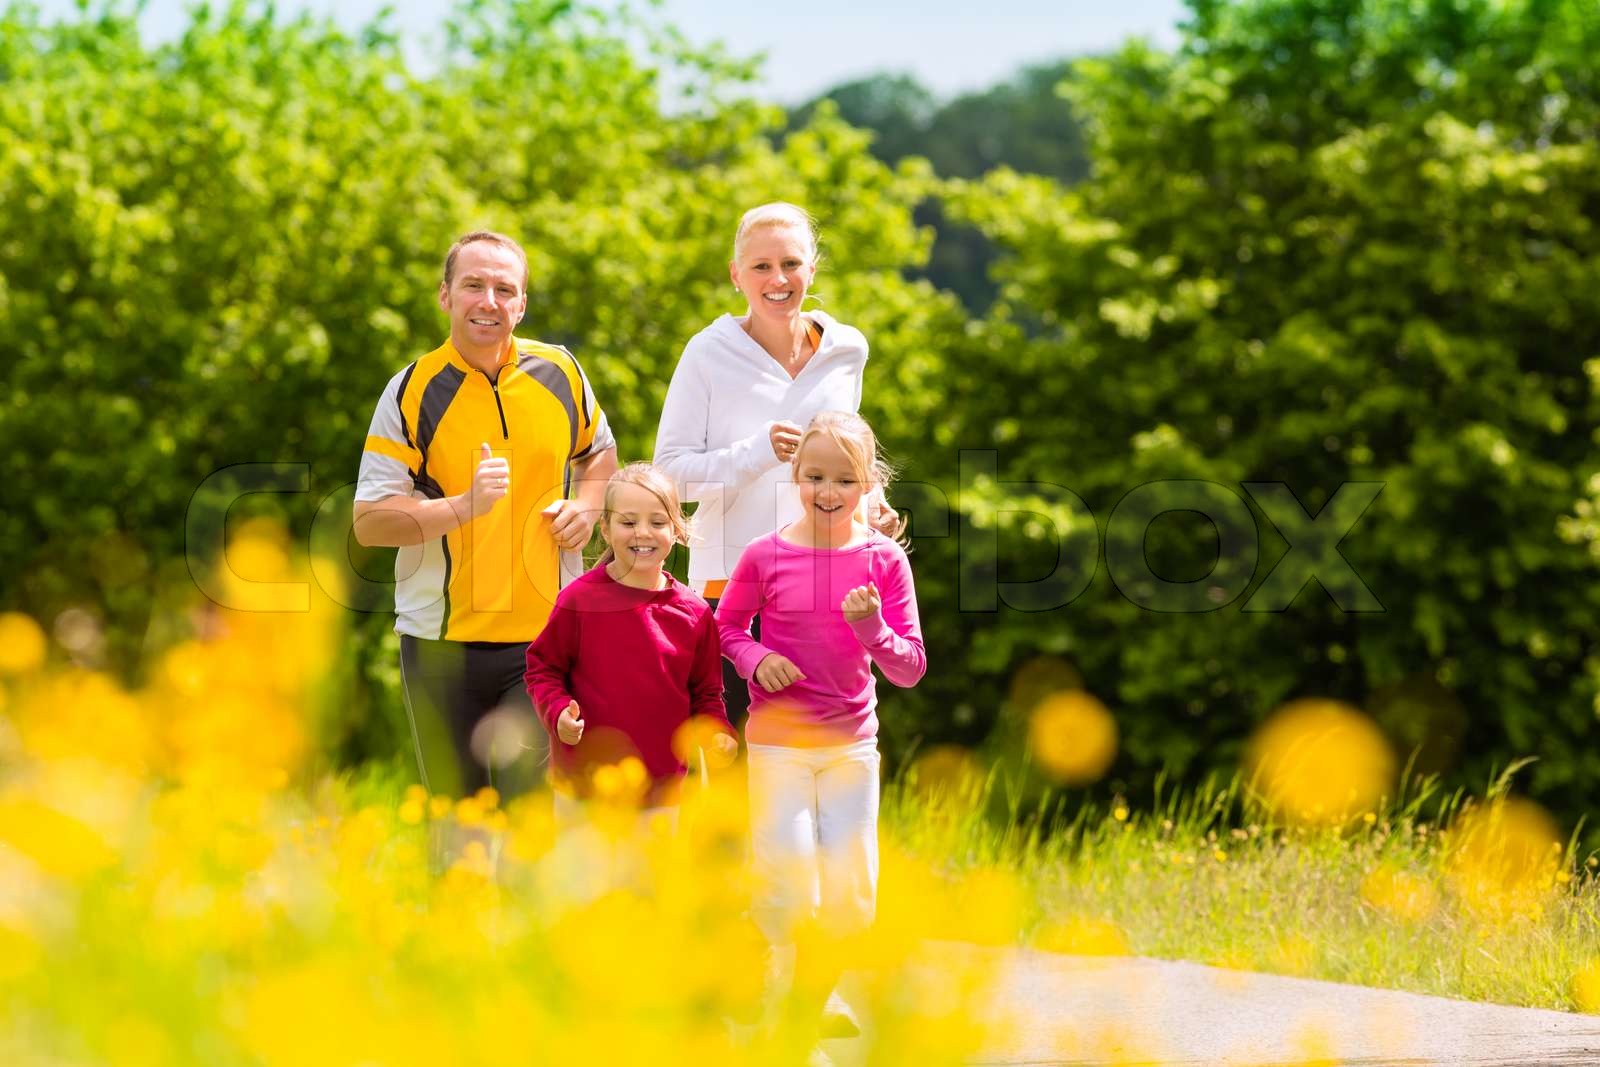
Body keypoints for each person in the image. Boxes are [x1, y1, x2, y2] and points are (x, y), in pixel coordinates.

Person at [353, 230, 618, 800]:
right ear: (445, 295)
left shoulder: (562, 371)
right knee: (458, 826)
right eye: (474, 285)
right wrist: (462, 507)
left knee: (533, 820)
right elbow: (370, 522)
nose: (489, 301)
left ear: (522, 304)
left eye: (505, 289)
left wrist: (589, 505)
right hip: (440, 647)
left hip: (545, 644)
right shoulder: (410, 392)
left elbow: (599, 452)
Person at [715, 411, 925, 1046]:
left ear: (867, 486)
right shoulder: (764, 555)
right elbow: (724, 630)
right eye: (813, 477)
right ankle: (785, 1002)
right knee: (789, 894)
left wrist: (873, 631)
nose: (827, 491)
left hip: (851, 749)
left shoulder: (883, 560)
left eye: (843, 479)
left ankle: (802, 1011)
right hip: (778, 746)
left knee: (852, 901)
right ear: (795, 477)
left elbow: (910, 668)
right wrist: (758, 659)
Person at [653, 202, 895, 731]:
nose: (777, 279)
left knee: (825, 749)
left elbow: (844, 456)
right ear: (736, 274)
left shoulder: (847, 349)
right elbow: (669, 476)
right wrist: (757, 453)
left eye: (790, 263)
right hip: (731, 585)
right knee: (736, 763)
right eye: (760, 266)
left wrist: (873, 502)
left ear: (813, 268)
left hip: (828, 583)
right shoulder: (707, 353)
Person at [523, 463, 739, 824]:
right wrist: (558, 711)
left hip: (661, 795)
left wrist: (717, 734)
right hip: (584, 790)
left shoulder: (695, 614)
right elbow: (542, 668)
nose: (643, 532)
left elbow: (706, 694)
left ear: (676, 531)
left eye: (657, 522)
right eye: (628, 522)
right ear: (605, 529)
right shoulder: (579, 600)